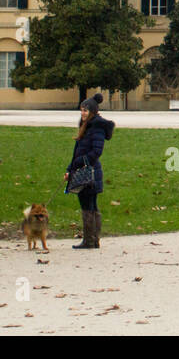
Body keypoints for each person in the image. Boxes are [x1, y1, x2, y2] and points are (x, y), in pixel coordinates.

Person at [65, 93, 114, 249]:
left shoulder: (96, 128)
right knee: (90, 205)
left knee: (88, 205)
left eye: (86, 110)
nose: (83, 113)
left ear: (92, 111)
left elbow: (96, 151)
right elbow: (77, 152)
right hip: (83, 170)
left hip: (89, 173)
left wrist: (80, 163)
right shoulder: (86, 127)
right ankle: (92, 239)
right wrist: (69, 169)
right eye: (82, 110)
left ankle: (90, 240)